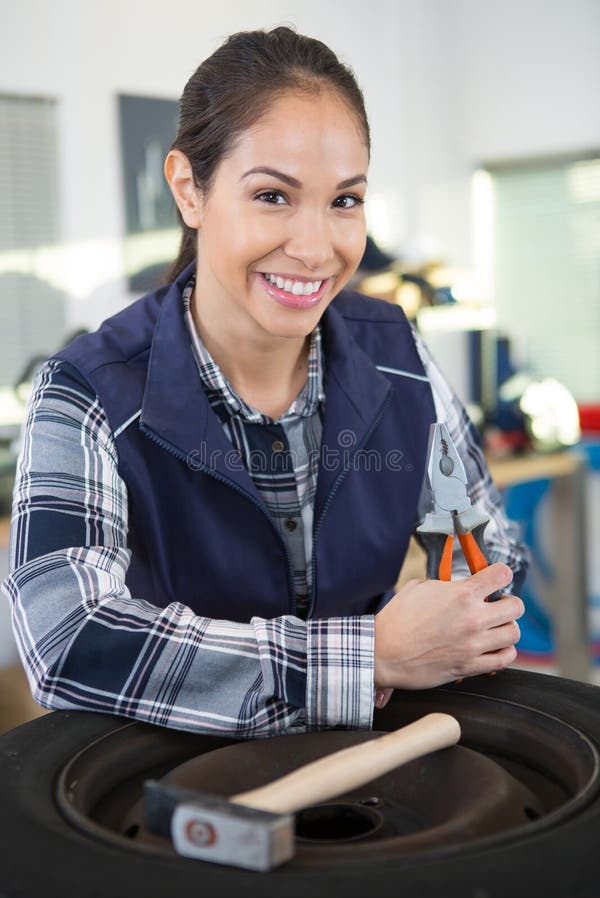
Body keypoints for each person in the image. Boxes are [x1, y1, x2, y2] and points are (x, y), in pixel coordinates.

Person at [2, 27, 527, 736]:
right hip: (169, 793)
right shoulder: (86, 390)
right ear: (190, 189)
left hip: (375, 774)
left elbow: (489, 547)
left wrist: (464, 606)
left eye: (345, 201)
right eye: (274, 196)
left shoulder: (400, 352)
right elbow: (68, 640)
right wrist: (367, 657)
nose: (316, 249)